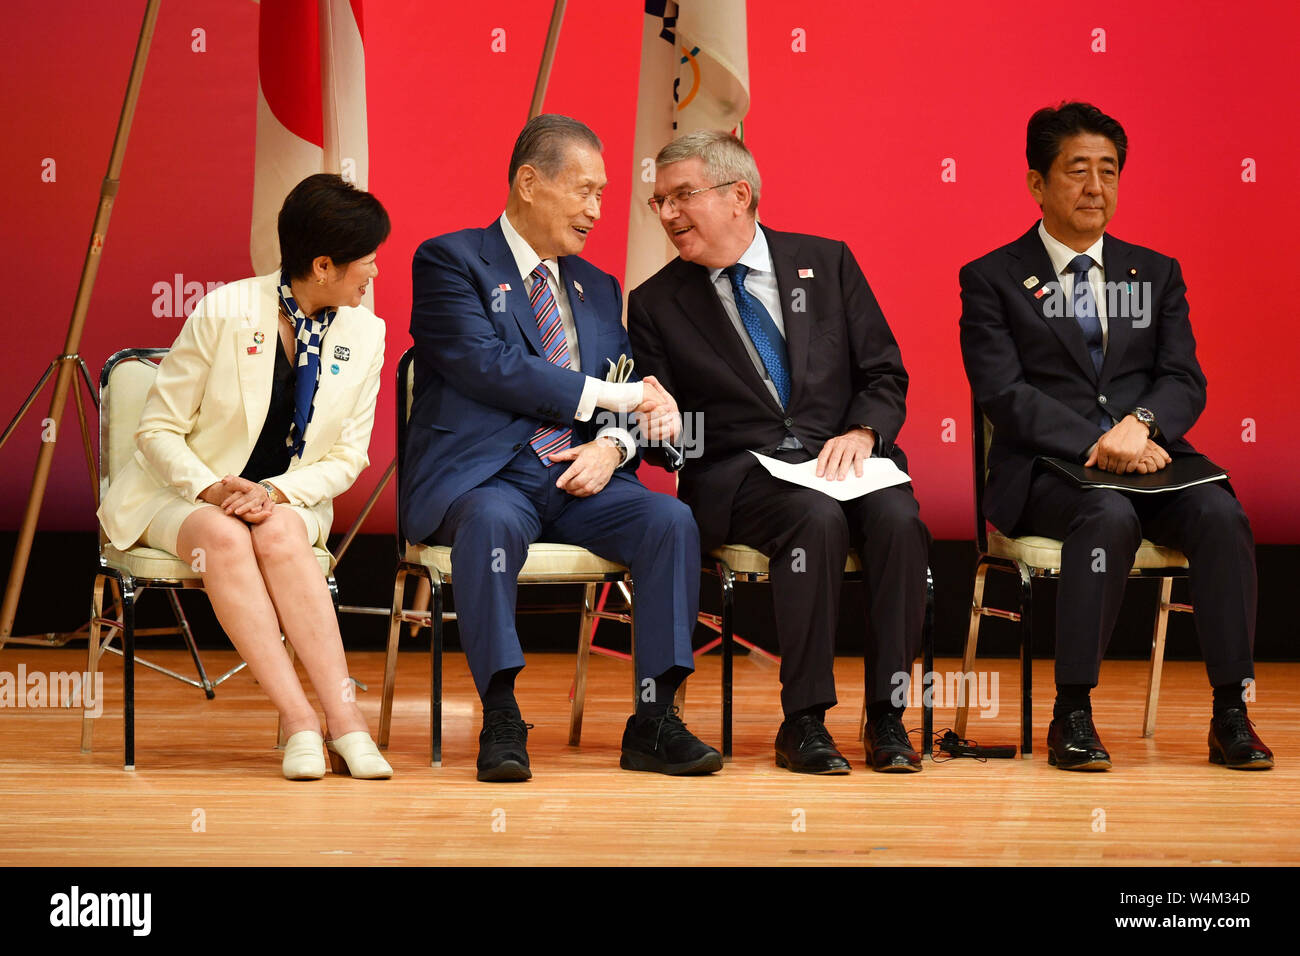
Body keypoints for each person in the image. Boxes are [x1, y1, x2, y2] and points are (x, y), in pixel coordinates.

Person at [401, 114, 720, 782]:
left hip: (583, 477)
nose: (598, 210)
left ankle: (653, 718)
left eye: (603, 194)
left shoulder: (598, 287)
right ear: (529, 181)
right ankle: (501, 714)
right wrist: (613, 402)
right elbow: (487, 365)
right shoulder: (450, 261)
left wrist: (611, 443)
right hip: (489, 476)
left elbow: (627, 388)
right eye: (586, 190)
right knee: (489, 524)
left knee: (670, 520)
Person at [958, 101, 1273, 771]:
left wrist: (1141, 425)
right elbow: (1004, 396)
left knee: (1220, 514)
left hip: (1154, 457)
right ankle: (1071, 711)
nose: (1095, 187)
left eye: (1108, 170)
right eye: (1077, 170)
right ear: (1036, 183)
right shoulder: (992, 279)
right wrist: (1099, 442)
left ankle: (1232, 714)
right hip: (1049, 469)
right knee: (1106, 513)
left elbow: (1184, 378)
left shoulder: (1154, 272)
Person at [627, 131, 932, 774]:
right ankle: (805, 721)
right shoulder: (655, 303)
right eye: (659, 202)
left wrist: (864, 434)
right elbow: (673, 435)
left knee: (900, 521)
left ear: (739, 195)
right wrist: (670, 434)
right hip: (741, 476)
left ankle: (888, 718)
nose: (669, 214)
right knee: (812, 520)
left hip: (843, 459)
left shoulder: (829, 263)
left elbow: (884, 375)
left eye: (683, 196)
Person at [98, 173, 394, 780]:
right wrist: (212, 488)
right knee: (226, 536)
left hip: (285, 497)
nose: (374, 271)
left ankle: (346, 721)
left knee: (281, 534)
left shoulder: (367, 333)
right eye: (366, 259)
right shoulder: (226, 309)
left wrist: (275, 492)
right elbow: (155, 431)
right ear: (321, 265)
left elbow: (348, 455)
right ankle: (300, 722)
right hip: (182, 494)